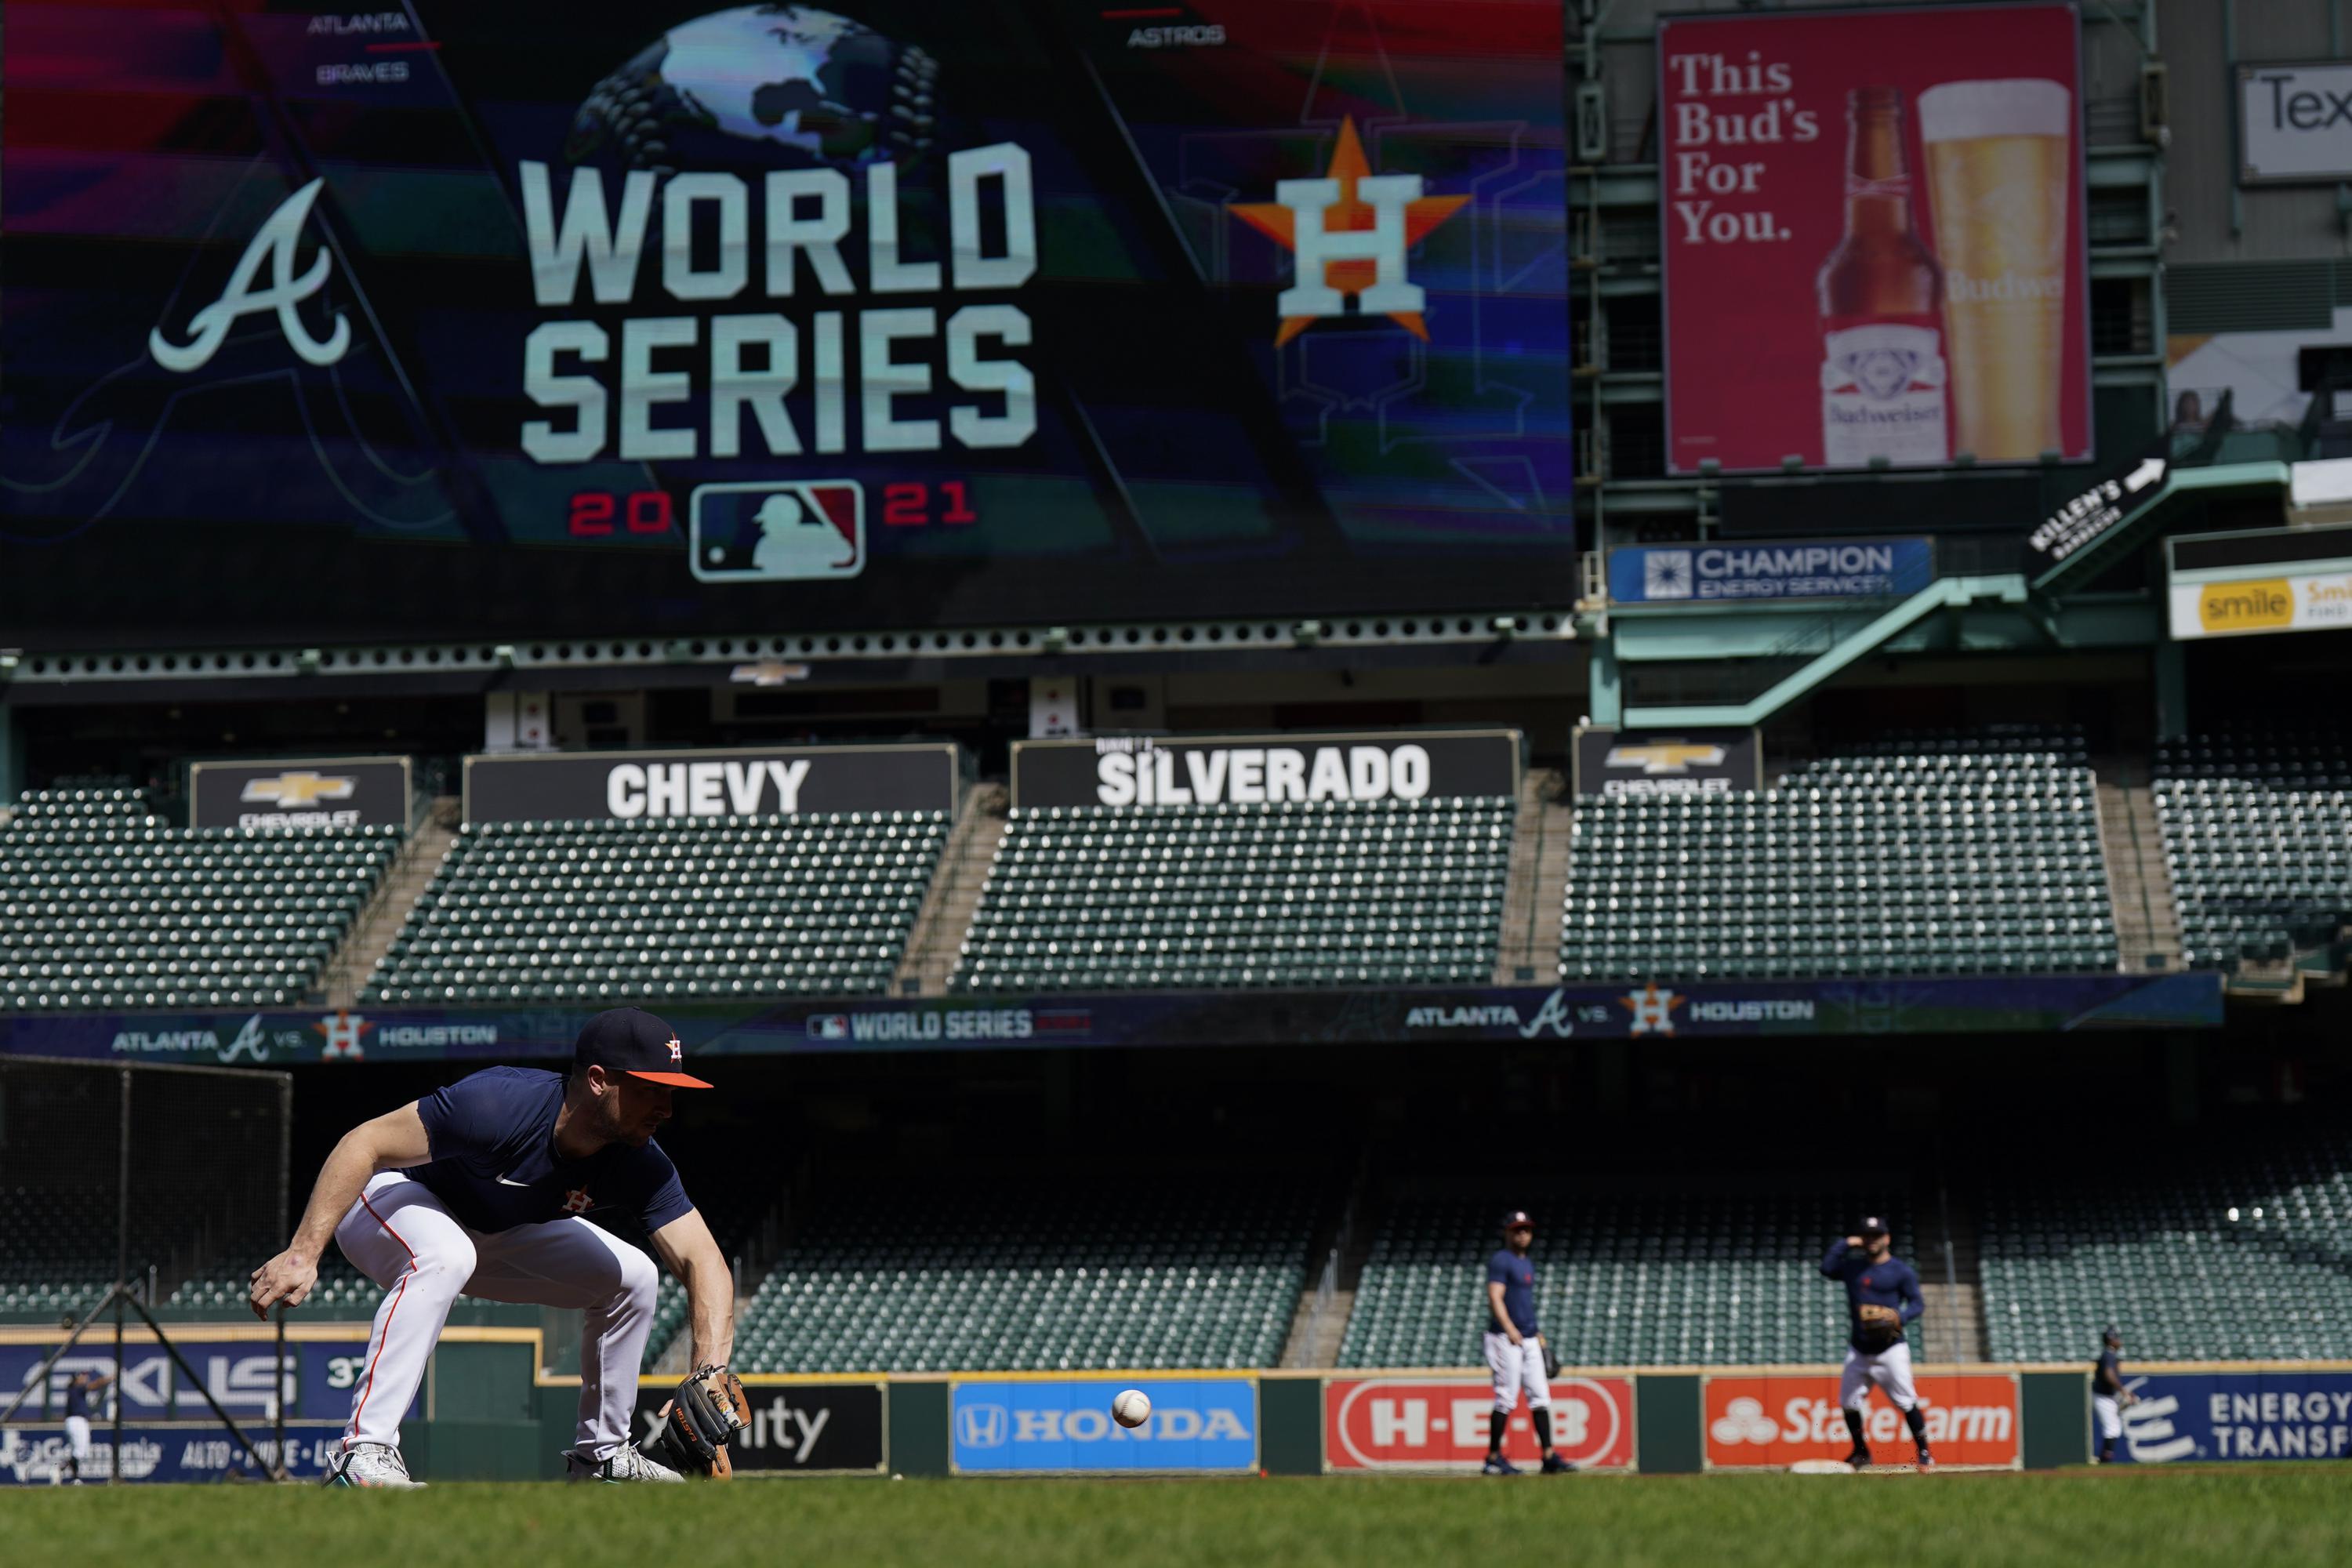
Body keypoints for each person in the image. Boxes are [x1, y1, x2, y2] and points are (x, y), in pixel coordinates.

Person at [248, 1008, 733, 1488]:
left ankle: (602, 1459)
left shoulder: (641, 1161)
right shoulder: (501, 1103)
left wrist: (709, 1370)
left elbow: (703, 1259)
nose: (667, 1108)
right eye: (651, 1089)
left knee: (636, 1278)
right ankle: (362, 1452)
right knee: (446, 1253)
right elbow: (363, 1143)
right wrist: (303, 1253)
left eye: (671, 1091)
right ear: (599, 1079)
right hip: (389, 1198)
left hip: (497, 1230)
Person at [1819, 1217, 1932, 1469]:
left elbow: (1917, 1304)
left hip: (1890, 1349)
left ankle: (1924, 1453)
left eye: (1877, 1235)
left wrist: (1898, 1317)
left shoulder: (1900, 1271)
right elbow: (1826, 1268)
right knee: (1848, 1403)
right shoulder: (1853, 1268)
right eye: (1867, 1236)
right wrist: (1847, 1243)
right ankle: (1861, 1452)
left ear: (1887, 1238)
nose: (1872, 1240)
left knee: (1905, 1401)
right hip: (1859, 1349)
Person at [1480, 1210, 1574, 1476]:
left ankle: (1548, 1457)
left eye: (1527, 1229)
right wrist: (1510, 1328)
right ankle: (1493, 1459)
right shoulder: (1502, 1260)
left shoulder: (1526, 1263)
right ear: (1507, 1232)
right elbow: (1495, 1296)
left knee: (1540, 1397)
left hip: (1530, 1337)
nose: (1522, 1234)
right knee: (1506, 1398)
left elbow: (1525, 1305)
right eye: (1517, 1229)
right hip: (1505, 1337)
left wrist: (1539, 1337)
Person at [54, 1369, 113, 1484]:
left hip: (75, 1422)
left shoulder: (74, 1390)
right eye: (83, 1377)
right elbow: (94, 1385)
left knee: (79, 1451)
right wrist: (109, 1379)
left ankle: (73, 1476)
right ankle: (62, 1469)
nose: (86, 1378)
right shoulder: (77, 1388)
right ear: (77, 1378)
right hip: (77, 1421)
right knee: (80, 1451)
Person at [2092, 1326, 2136, 1463]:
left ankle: (2104, 1459)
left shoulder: (2108, 1354)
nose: (2120, 1341)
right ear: (2111, 1340)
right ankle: (2104, 1461)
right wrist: (2123, 1391)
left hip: (2106, 1396)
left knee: (2114, 1427)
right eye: (2117, 1338)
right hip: (2103, 1397)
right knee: (2112, 1428)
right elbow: (2109, 1375)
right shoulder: (2109, 1354)